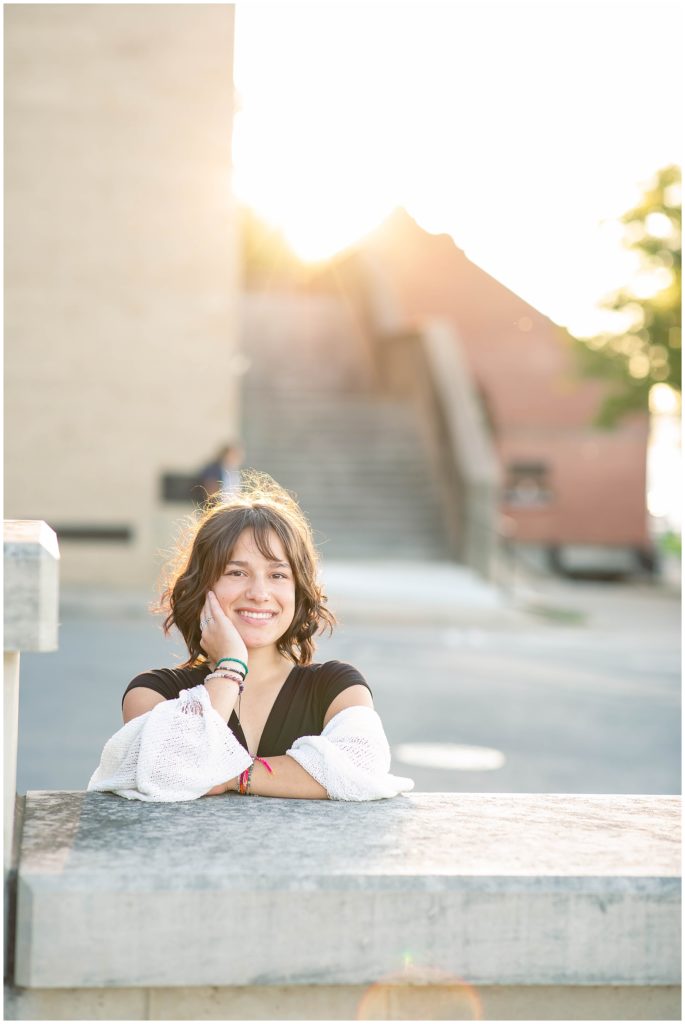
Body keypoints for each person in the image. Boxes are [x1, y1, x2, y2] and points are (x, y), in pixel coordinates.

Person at [88, 473, 414, 801]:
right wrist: (230, 667)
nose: (259, 593)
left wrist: (231, 776)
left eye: (277, 575)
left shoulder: (337, 687)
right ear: (203, 587)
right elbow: (167, 772)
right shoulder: (154, 692)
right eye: (237, 573)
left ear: (298, 591)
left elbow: (364, 769)